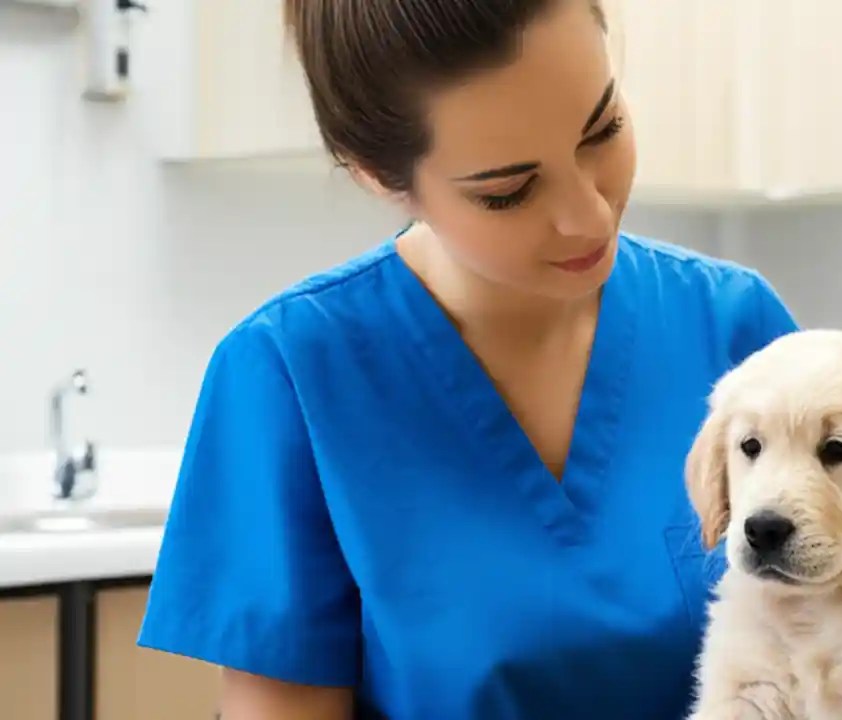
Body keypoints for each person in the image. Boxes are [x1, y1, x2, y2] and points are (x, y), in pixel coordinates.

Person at [136, 0, 800, 718]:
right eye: (507, 192)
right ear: (378, 176)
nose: (591, 216)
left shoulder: (737, 330)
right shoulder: (291, 376)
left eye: (602, 128)